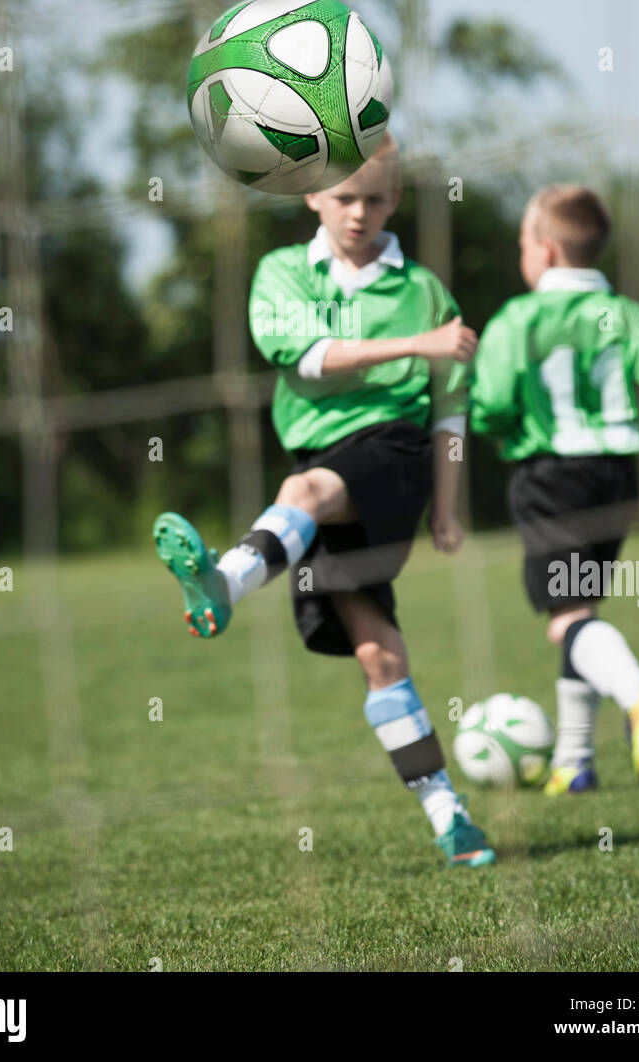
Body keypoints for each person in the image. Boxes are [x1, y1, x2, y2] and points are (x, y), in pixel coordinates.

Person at [154, 133, 495, 867]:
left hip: (392, 455)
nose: (359, 213)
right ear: (312, 194)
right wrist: (417, 345)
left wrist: (446, 505)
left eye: (375, 198)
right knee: (379, 654)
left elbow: (450, 413)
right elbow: (305, 356)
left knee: (299, 490)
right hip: (321, 481)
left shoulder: (425, 292)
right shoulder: (283, 274)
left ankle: (226, 582)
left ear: (396, 199)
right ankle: (450, 816)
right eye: (345, 198)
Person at [470, 184, 639, 793]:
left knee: (566, 618)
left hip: (552, 477)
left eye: (524, 244)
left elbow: (492, 402)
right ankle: (574, 762)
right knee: (581, 610)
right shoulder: (626, 314)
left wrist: (493, 427)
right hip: (616, 478)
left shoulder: (520, 318)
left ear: (547, 251)